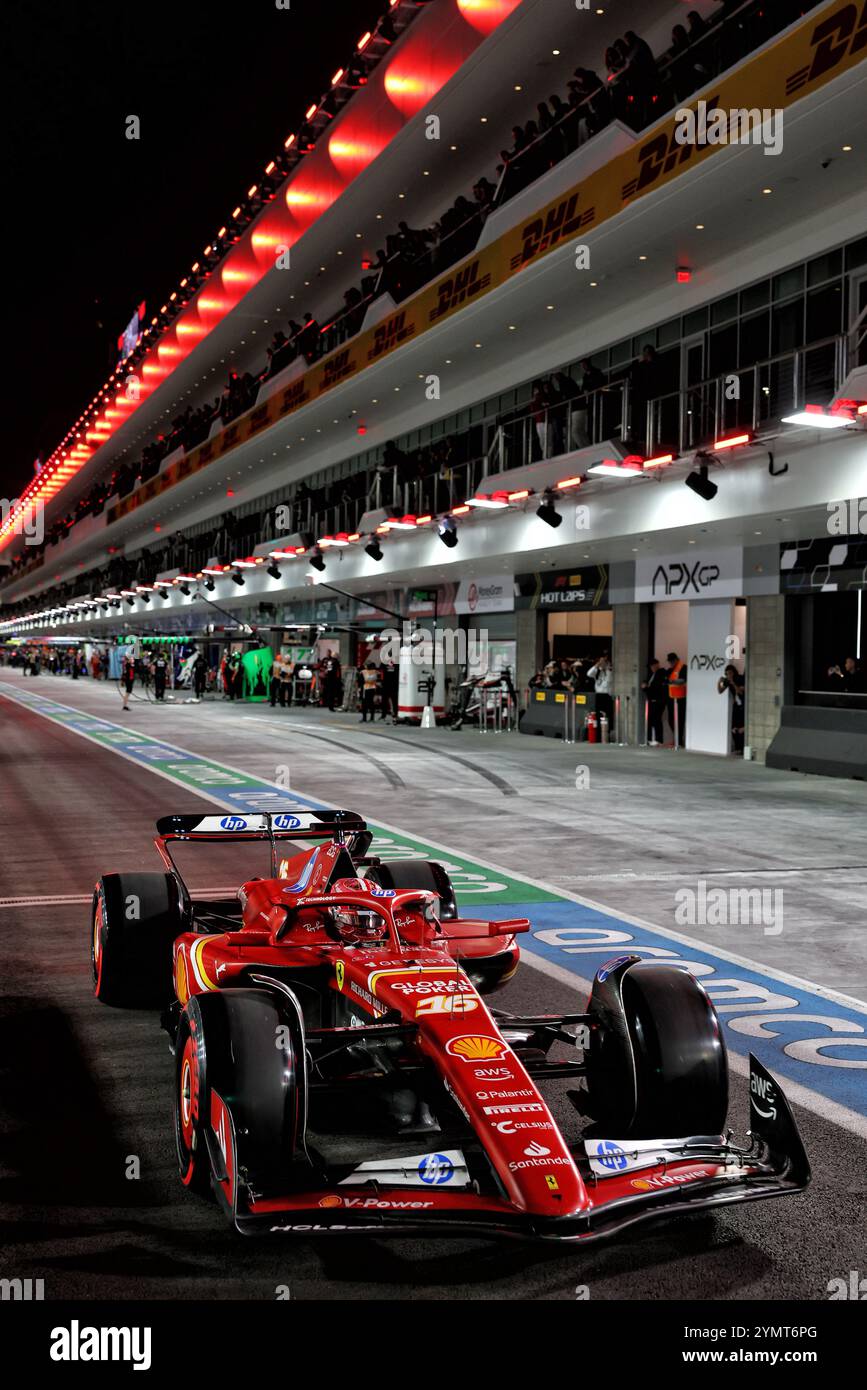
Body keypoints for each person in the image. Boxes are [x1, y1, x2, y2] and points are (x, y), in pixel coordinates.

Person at [718, 664, 745, 752]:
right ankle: (737, 747)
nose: (728, 675)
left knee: (742, 727)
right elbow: (720, 691)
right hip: (736, 705)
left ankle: (742, 748)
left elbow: (740, 692)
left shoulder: (740, 678)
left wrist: (733, 682)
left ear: (733, 672)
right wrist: (719, 682)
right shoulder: (728, 681)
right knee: (734, 727)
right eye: (726, 674)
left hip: (743, 705)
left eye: (729, 673)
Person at [641, 657, 668, 746]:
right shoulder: (651, 674)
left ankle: (658, 739)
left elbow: (656, 687)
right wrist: (645, 686)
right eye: (650, 666)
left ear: (657, 665)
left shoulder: (661, 673)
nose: (652, 668)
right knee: (649, 720)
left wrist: (647, 687)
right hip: (651, 700)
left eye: (653, 666)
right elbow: (648, 684)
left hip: (658, 701)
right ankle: (649, 739)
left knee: (657, 719)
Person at [586, 654, 613, 730]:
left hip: (607, 696)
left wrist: (606, 667)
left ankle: (607, 732)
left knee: (607, 716)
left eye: (603, 661)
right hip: (598, 695)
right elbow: (588, 674)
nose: (602, 663)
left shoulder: (609, 671)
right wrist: (597, 665)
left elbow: (610, 679)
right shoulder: (597, 672)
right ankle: (598, 731)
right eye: (600, 662)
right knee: (598, 715)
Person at [666, 651, 687, 746]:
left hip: (680, 699)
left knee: (679, 721)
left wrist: (672, 681)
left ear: (676, 660)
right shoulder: (670, 670)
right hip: (671, 698)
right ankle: (676, 739)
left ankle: (678, 741)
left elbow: (683, 680)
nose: (670, 663)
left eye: (671, 661)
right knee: (671, 720)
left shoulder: (683, 668)